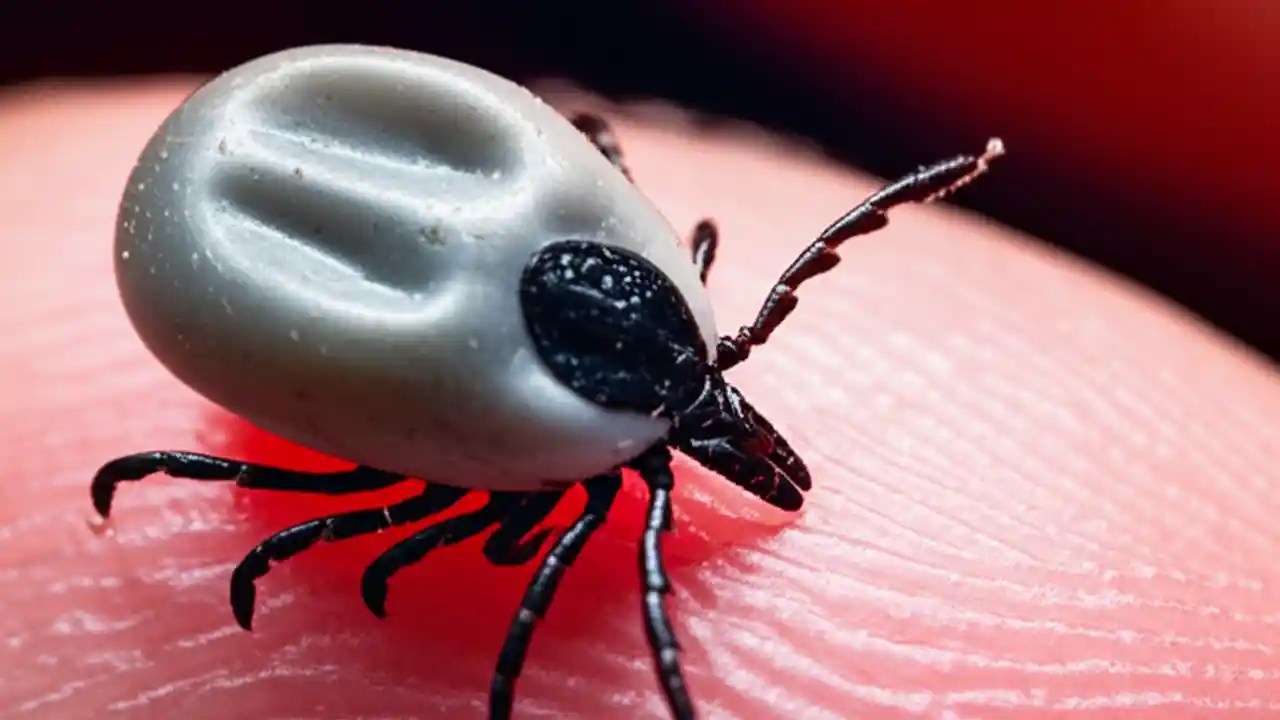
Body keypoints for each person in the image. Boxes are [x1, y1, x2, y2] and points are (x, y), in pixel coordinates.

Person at [2, 77, 1277, 718]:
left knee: (358, 514)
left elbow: (394, 509)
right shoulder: (586, 424)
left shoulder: (582, 419)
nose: (721, 439)